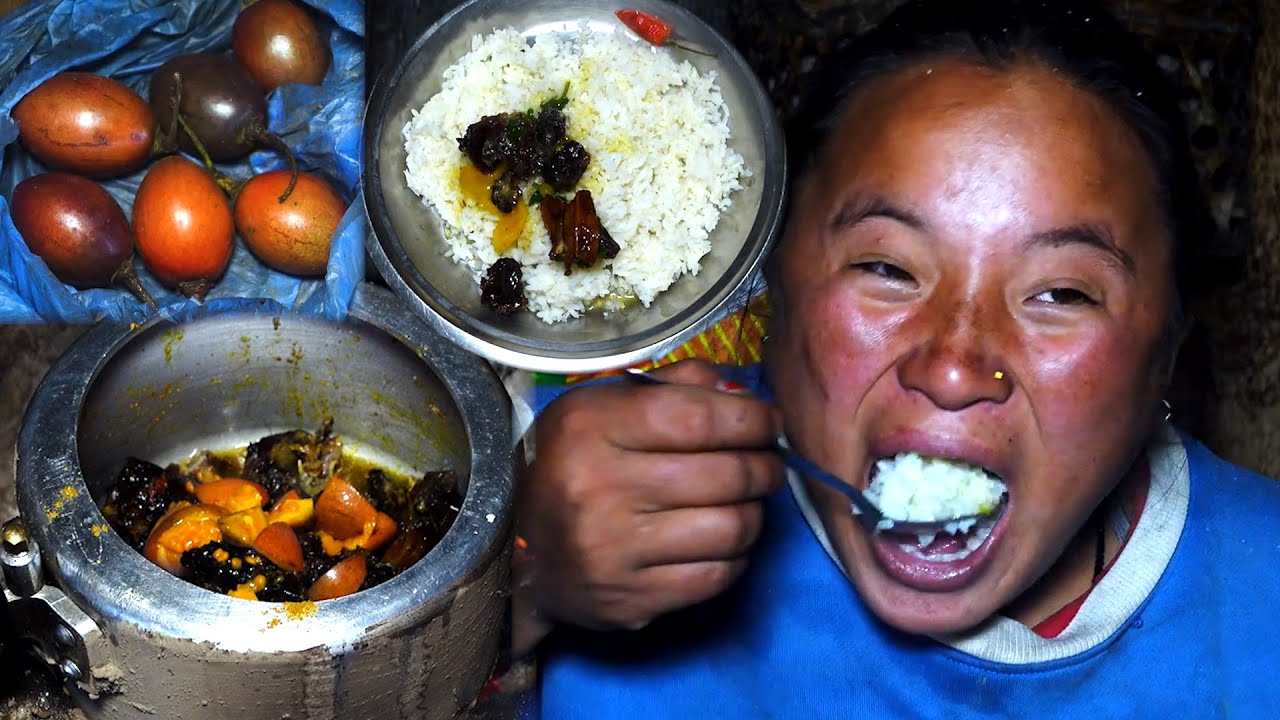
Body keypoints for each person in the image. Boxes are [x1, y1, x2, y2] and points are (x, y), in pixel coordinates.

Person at [510, 0, 1280, 716]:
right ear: (775, 279)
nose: (952, 367)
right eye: (887, 269)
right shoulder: (572, 474)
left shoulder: (1260, 596)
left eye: (1062, 294)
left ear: (1168, 351)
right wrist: (519, 587)